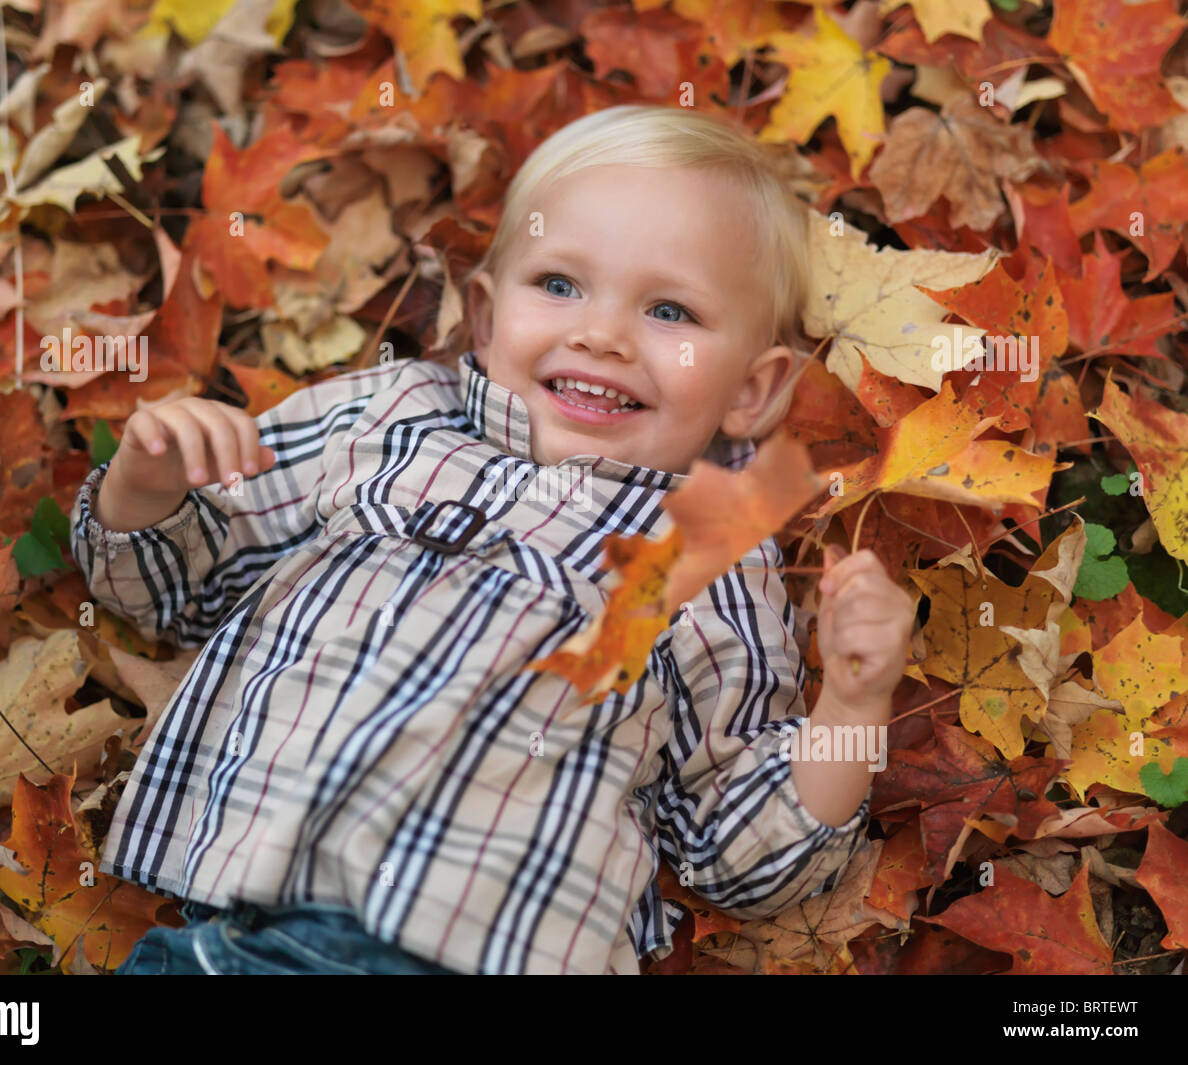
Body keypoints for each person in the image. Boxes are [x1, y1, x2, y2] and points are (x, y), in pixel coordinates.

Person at [71, 104, 915, 975]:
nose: (601, 333)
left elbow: (743, 848)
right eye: (558, 284)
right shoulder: (385, 416)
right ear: (483, 314)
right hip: (245, 929)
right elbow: (170, 591)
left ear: (752, 389)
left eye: (669, 310)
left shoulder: (710, 554)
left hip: (485, 943)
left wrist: (851, 708)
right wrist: (151, 480)